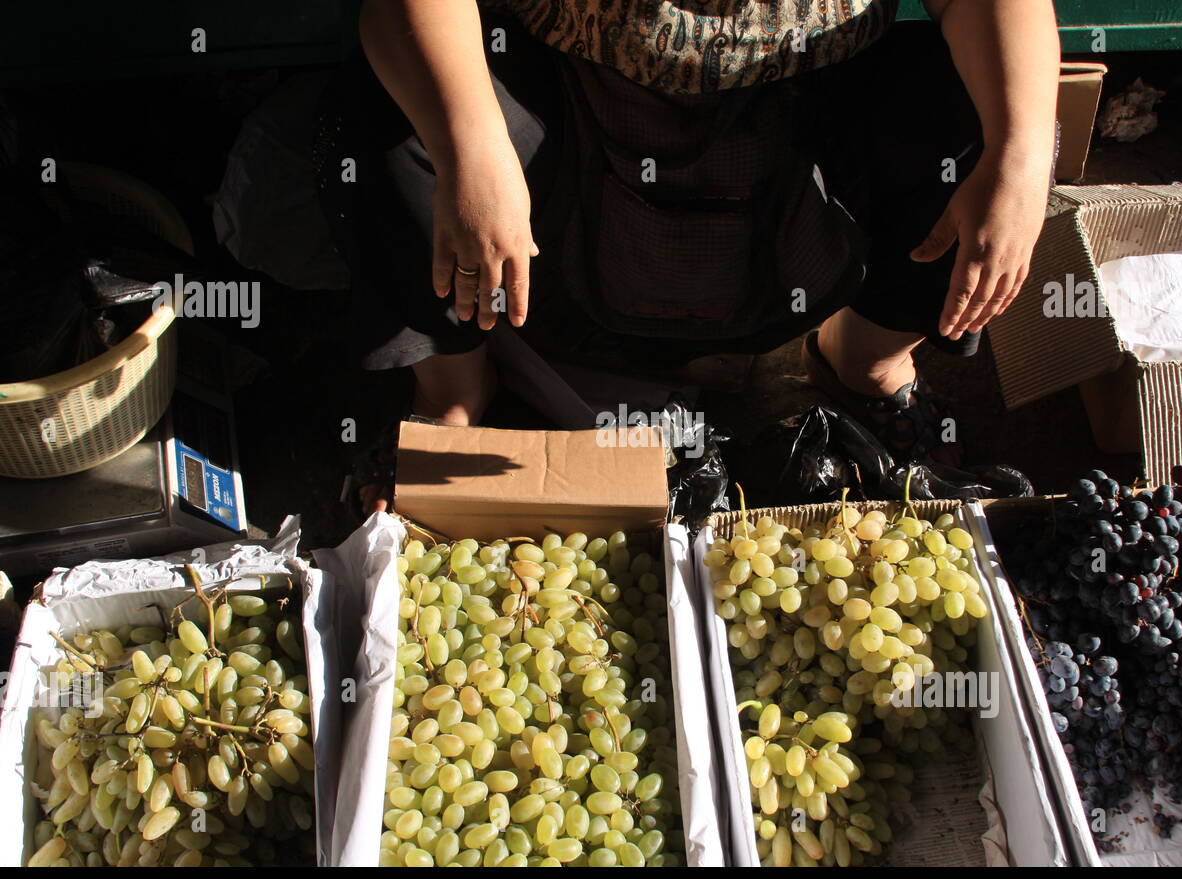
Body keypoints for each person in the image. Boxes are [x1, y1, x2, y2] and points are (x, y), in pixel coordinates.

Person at [316, 0, 1060, 513]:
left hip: (800, 164)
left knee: (970, 119)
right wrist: (470, 148)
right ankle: (452, 395)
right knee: (398, 117)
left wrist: (1022, 155)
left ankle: (866, 361)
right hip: (573, 140)